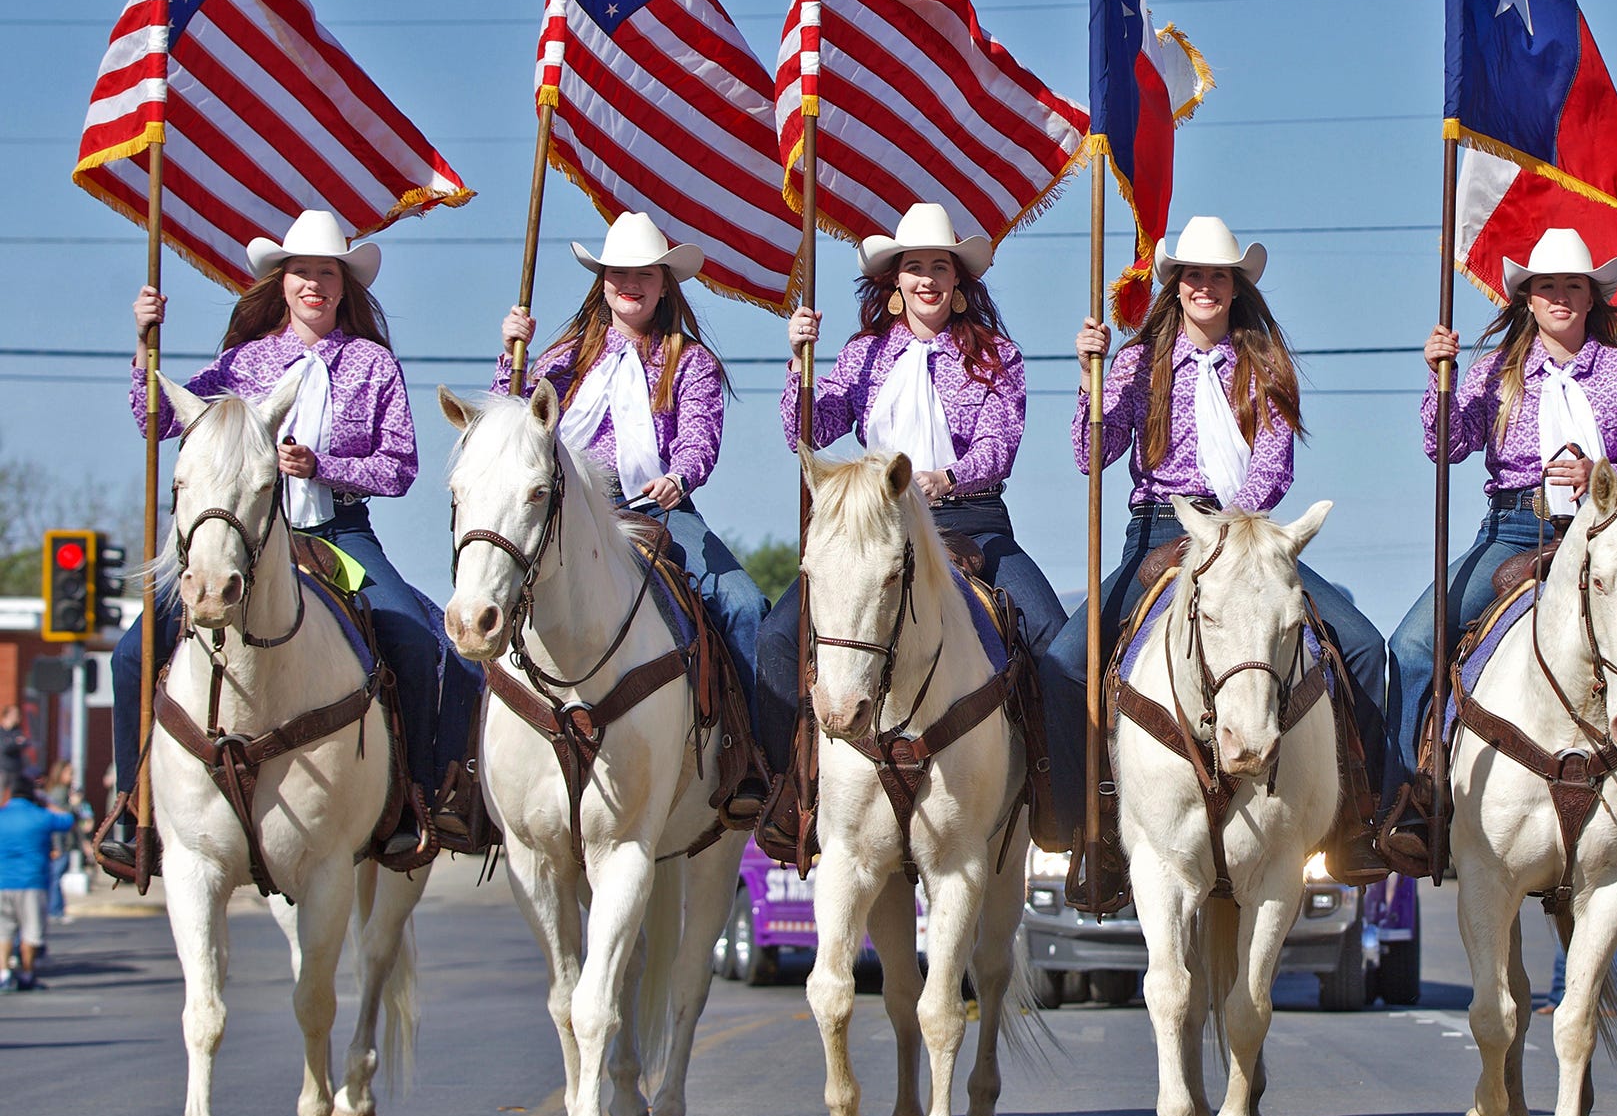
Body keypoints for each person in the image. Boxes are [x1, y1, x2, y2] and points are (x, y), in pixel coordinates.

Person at [102, 210, 481, 868]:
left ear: (343, 286)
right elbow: (156, 420)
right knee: (131, 655)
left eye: (327, 273)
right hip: (243, 541)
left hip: (337, 533)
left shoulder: (373, 364)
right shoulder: (240, 363)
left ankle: (410, 801)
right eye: (302, 271)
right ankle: (133, 808)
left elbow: (400, 466)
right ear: (281, 282)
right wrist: (144, 343)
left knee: (418, 645)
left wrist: (322, 466)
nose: (314, 284)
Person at [1381, 228, 1617, 879]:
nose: (1559, 296)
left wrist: (1602, 476)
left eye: (1572, 285)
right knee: (1412, 645)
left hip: (1609, 531)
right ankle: (1415, 794)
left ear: (1592, 297)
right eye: (1546, 285)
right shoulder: (1496, 372)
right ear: (1525, 297)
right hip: (1513, 529)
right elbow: (1448, 444)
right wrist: (1441, 381)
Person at [1040, 216, 1391, 885]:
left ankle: (1359, 823)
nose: (1204, 286)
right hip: (1157, 534)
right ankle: (1089, 829)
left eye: (1217, 276)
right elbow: (1093, 453)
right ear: (1174, 287)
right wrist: (1092, 383)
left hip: (1249, 536)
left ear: (1235, 287)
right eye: (1192, 274)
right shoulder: (1137, 363)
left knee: (1366, 648)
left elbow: (1274, 462)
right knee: (1062, 663)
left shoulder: (1261, 364)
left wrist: (1234, 531)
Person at [756, 204, 1066, 771]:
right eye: (915, 266)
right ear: (895, 280)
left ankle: (1052, 783)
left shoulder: (997, 355)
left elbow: (1000, 444)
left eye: (941, 267)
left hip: (970, 519)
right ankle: (782, 787)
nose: (928, 279)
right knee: (777, 635)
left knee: (1054, 637)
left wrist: (948, 477)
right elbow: (808, 430)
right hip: (876, 524)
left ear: (958, 282)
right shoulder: (862, 352)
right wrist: (798, 362)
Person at [497, 211, 769, 815]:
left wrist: (681, 476)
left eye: (645, 274)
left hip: (658, 509)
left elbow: (699, 436)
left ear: (664, 284)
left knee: (745, 603)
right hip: (572, 512)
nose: (631, 284)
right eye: (619, 273)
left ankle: (752, 756)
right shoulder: (562, 358)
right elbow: (509, 431)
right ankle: (479, 774)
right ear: (602, 281)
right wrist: (509, 358)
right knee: (492, 587)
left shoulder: (691, 362)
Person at [0, 774, 75, 991]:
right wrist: (47, 803)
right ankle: (27, 973)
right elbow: (68, 820)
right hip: (32, 882)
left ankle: (4, 973)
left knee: (3, 931)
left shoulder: (2, 816)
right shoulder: (41, 816)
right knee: (31, 932)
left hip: (3, 881)